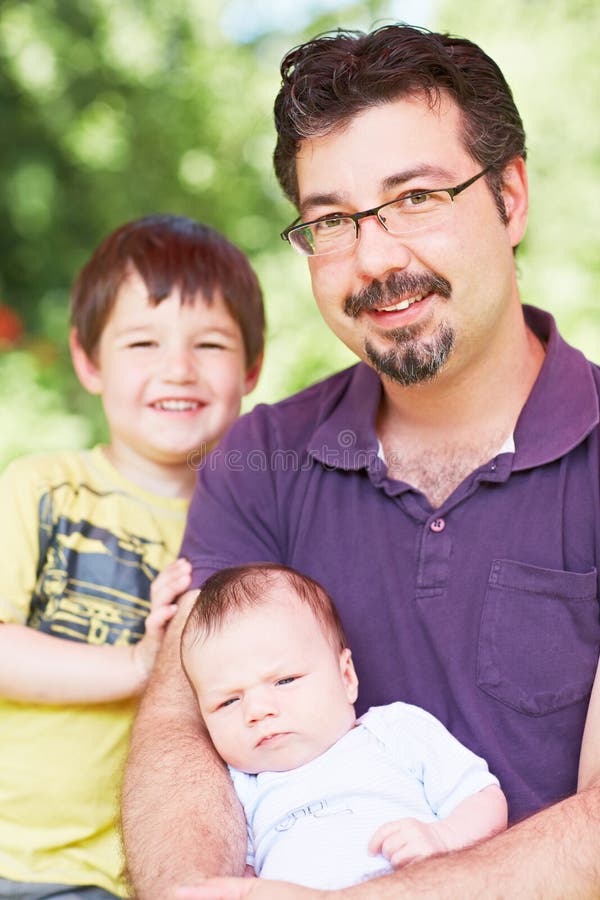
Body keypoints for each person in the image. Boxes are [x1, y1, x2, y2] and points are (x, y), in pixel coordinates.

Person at [122, 24, 600, 900]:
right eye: (332, 221)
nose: (375, 258)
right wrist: (197, 891)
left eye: (415, 198)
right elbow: (179, 730)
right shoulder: (259, 459)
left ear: (510, 198)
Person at [0, 214, 264, 900]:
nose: (177, 368)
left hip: (140, 877)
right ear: (89, 361)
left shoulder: (250, 536)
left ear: (252, 368)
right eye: (143, 342)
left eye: (210, 343)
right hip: (15, 853)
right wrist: (136, 666)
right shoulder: (40, 488)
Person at [180, 563, 507, 891]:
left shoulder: (393, 730)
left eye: (285, 680)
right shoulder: (239, 787)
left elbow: (482, 797)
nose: (257, 710)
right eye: (228, 701)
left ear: (346, 677)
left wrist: (443, 837)